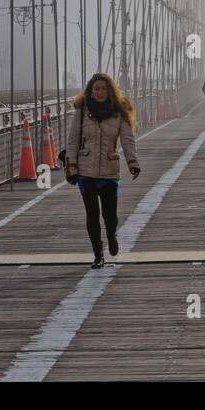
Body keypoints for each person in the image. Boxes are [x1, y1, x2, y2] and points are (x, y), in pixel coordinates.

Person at [65, 72, 140, 269]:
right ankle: (98, 255)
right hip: (85, 170)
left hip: (109, 171)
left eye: (103, 89)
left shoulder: (119, 112)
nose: (99, 92)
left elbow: (127, 139)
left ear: (110, 91)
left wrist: (133, 161)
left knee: (110, 215)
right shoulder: (82, 111)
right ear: (90, 91)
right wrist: (71, 165)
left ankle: (111, 234)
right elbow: (73, 140)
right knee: (92, 214)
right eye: (96, 89)